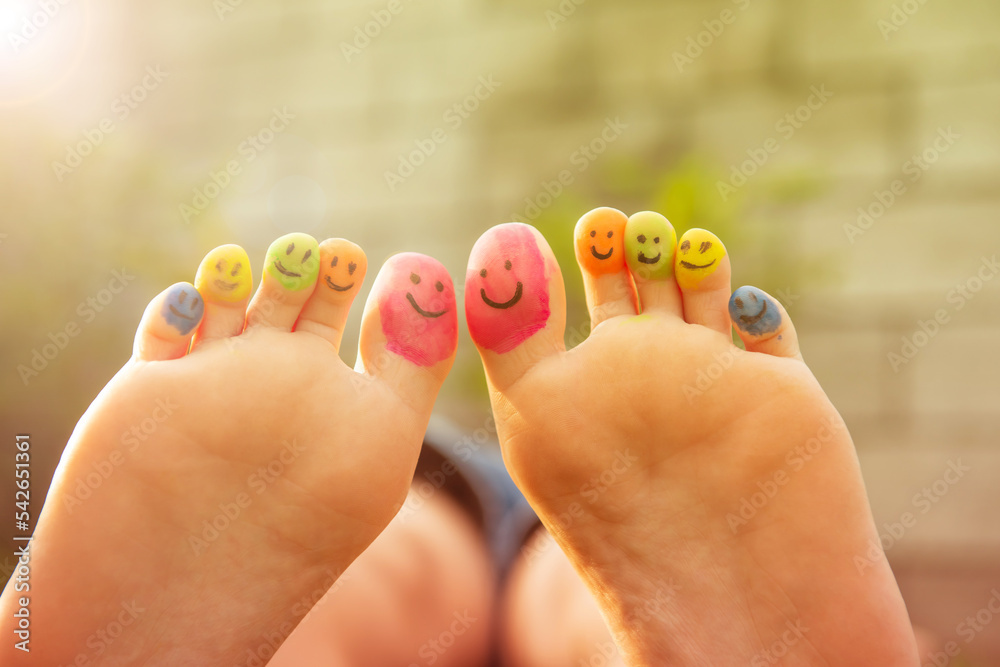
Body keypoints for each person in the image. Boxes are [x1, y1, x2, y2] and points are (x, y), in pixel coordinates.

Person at [0, 208, 919, 665]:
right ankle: (652, 632)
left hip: (436, 491)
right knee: (579, 601)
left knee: (383, 572)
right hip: (557, 496)